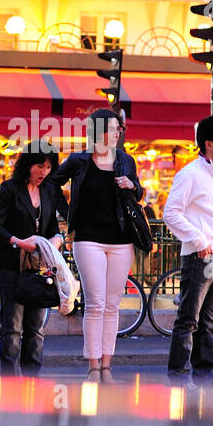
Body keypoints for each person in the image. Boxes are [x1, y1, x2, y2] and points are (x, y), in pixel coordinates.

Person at [51, 108, 143, 383]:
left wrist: (132, 186)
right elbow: (52, 184)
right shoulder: (79, 160)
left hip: (121, 240)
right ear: (100, 132)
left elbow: (138, 192)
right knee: (96, 303)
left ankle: (106, 365)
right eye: (115, 128)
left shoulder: (126, 161)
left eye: (119, 129)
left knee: (113, 304)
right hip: (88, 239)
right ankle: (93, 364)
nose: (119, 133)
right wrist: (68, 213)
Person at [161, 114, 213, 389]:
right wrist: (199, 239)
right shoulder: (190, 174)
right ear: (208, 143)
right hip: (200, 256)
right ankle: (179, 376)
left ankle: (205, 373)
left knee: (209, 321)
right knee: (189, 318)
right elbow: (171, 213)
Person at [0, 143, 64, 376]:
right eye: (40, 166)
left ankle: (32, 380)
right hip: (11, 265)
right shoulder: (10, 189)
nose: (44, 172)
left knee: (36, 329)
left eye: (49, 166)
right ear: (28, 165)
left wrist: (56, 240)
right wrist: (18, 242)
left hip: (40, 270)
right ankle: (10, 382)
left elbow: (54, 226)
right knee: (12, 328)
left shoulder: (49, 190)